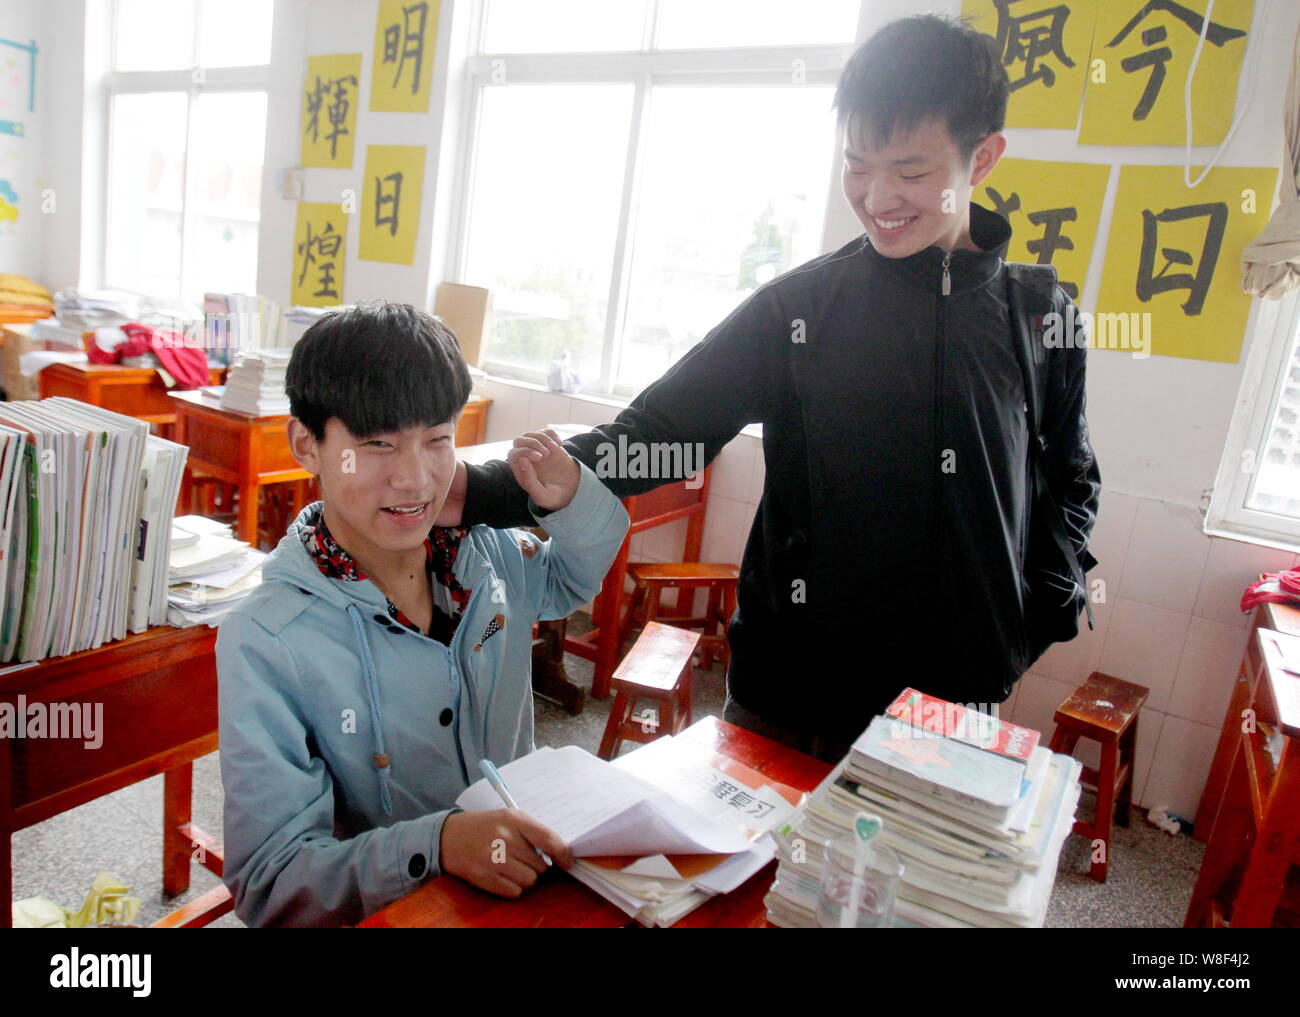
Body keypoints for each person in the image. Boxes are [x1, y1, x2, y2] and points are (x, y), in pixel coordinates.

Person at [440, 14, 1101, 762]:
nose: (877, 196)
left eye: (910, 172)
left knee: (921, 847)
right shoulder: (802, 310)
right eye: (857, 166)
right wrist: (478, 490)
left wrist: (1035, 614)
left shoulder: (1039, 314)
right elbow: (660, 437)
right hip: (793, 698)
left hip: (953, 702)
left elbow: (1072, 477)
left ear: (982, 158)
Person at [215, 302, 630, 927]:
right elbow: (270, 882)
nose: (415, 479)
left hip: (523, 896)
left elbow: (568, 580)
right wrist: (434, 845)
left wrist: (573, 501)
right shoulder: (268, 637)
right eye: (377, 444)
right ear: (307, 444)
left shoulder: (488, 554)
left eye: (438, 439)